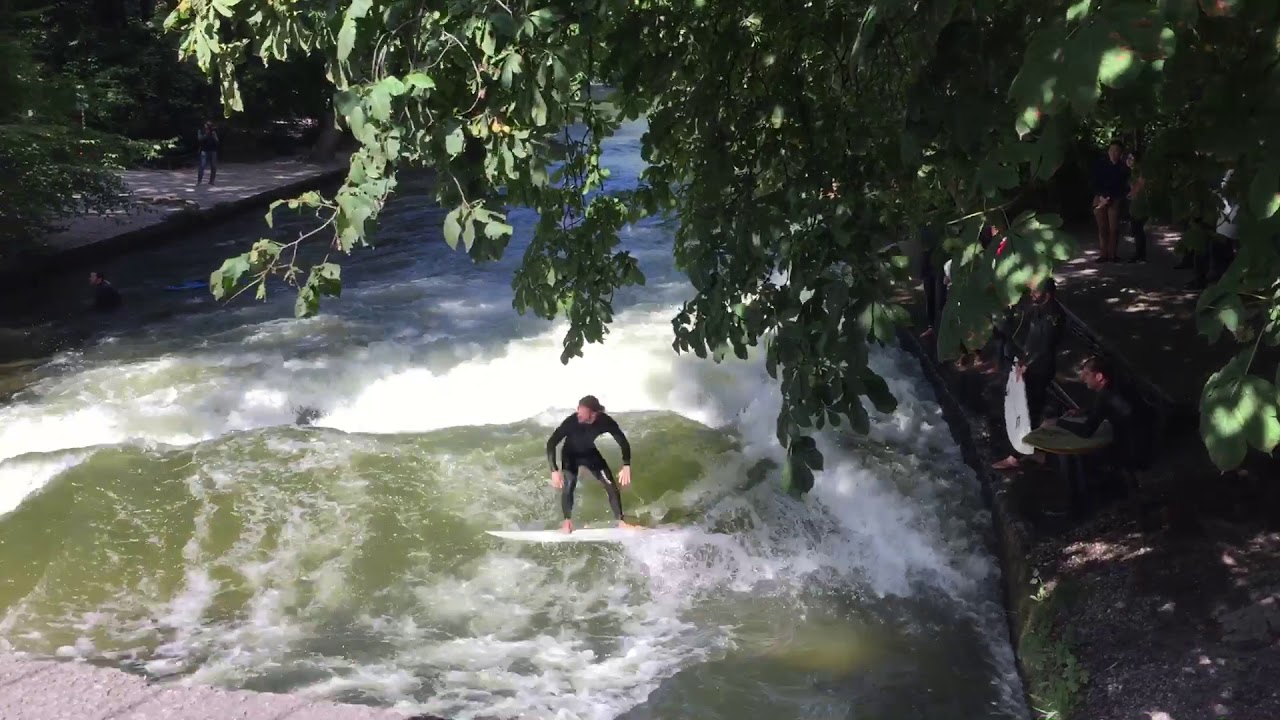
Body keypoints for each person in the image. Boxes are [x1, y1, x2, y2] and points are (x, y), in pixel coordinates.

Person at [992, 277, 1065, 471]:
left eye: (1036, 292)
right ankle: (1034, 450)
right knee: (1033, 407)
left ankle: (1016, 455)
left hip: (1040, 368)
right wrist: (1022, 358)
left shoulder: (1054, 316)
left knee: (1028, 410)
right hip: (1031, 364)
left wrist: (1027, 365)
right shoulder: (1038, 309)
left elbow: (1045, 347)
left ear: (1047, 295)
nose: (1032, 295)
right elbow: (1030, 340)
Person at [545, 395, 636, 533]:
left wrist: (626, 465)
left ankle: (620, 521)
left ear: (594, 413)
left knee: (610, 484)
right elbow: (551, 443)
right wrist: (554, 470)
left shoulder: (605, 422)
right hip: (570, 455)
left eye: (582, 411)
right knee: (569, 485)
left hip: (589, 453)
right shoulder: (571, 422)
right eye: (578, 410)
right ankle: (567, 522)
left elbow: (622, 441)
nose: (578, 414)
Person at [1090, 140, 1130, 263]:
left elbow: (1125, 186)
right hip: (1100, 198)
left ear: (1120, 153)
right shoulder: (1100, 165)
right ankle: (1103, 254)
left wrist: (1116, 197)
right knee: (1102, 228)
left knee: (1114, 228)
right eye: (1111, 150)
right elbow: (1093, 182)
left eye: (1116, 150)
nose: (1113, 153)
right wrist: (1101, 196)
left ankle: (1113, 254)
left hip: (1115, 199)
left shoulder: (1123, 168)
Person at [1124, 151, 1148, 263]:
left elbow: (1140, 183)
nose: (1129, 160)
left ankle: (1140, 255)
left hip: (1140, 202)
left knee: (1138, 229)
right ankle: (1139, 253)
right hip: (1135, 202)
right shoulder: (1133, 171)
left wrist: (1132, 193)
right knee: (1136, 229)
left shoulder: (1139, 171)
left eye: (1132, 158)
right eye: (1128, 157)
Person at [197, 121, 219, 186]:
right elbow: (199, 139)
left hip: (213, 150)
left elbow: (217, 141)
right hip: (204, 150)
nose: (208, 126)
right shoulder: (201, 131)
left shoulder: (213, 132)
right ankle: (199, 181)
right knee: (202, 166)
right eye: (207, 125)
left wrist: (214, 136)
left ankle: (211, 181)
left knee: (214, 166)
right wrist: (206, 135)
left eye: (209, 125)